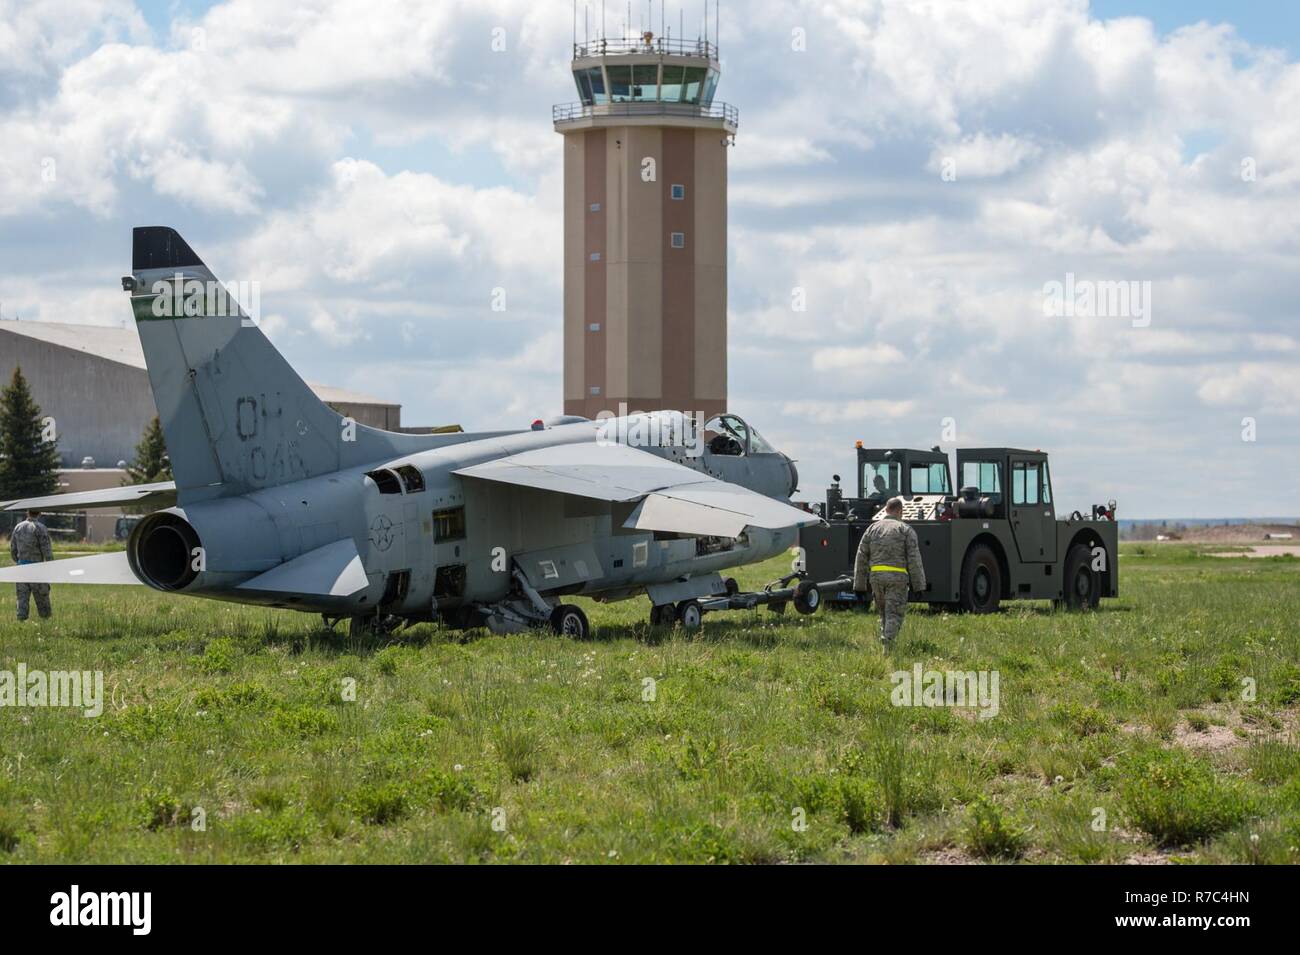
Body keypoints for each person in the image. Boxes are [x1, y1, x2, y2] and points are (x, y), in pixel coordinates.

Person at [852, 497, 926, 649]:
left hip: (876, 579)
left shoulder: (872, 529)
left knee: (884, 614)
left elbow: (861, 557)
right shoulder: (905, 530)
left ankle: (884, 643)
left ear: (886, 510)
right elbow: (914, 560)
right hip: (897, 579)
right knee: (894, 614)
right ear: (900, 511)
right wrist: (919, 586)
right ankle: (888, 646)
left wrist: (858, 585)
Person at [10, 509, 53, 621]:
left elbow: (13, 549)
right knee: (42, 598)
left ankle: (21, 621)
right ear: (40, 513)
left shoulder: (18, 527)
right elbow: (46, 550)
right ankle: (45, 621)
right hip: (37, 569)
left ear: (27, 513)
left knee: (22, 598)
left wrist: (19, 561)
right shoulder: (40, 528)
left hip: (21, 567)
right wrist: (51, 566)